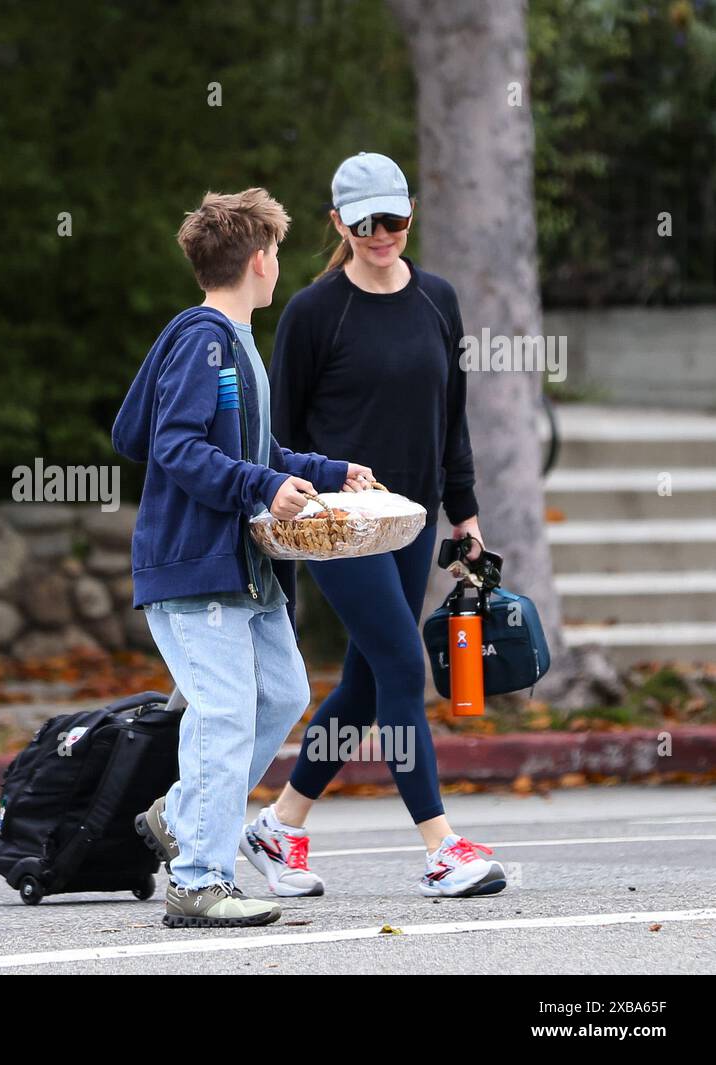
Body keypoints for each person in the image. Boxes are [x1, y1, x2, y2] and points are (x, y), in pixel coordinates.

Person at [241, 152, 506, 899]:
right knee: (400, 664)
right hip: (334, 523)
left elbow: (449, 418)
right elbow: (277, 433)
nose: (381, 233)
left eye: (392, 218)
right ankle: (440, 845)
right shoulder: (313, 312)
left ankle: (280, 822)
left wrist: (467, 515)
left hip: (413, 518)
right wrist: (279, 536)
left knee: (363, 681)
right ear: (338, 224)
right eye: (364, 223)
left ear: (409, 214)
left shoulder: (438, 300)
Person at [113, 188, 373, 927]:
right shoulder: (204, 339)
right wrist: (263, 483)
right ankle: (197, 878)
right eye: (279, 253)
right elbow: (176, 448)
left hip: (246, 573)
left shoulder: (236, 342)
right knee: (225, 713)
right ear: (259, 260)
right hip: (197, 570)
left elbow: (254, 453)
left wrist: (326, 471)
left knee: (284, 695)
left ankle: (179, 815)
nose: (279, 265)